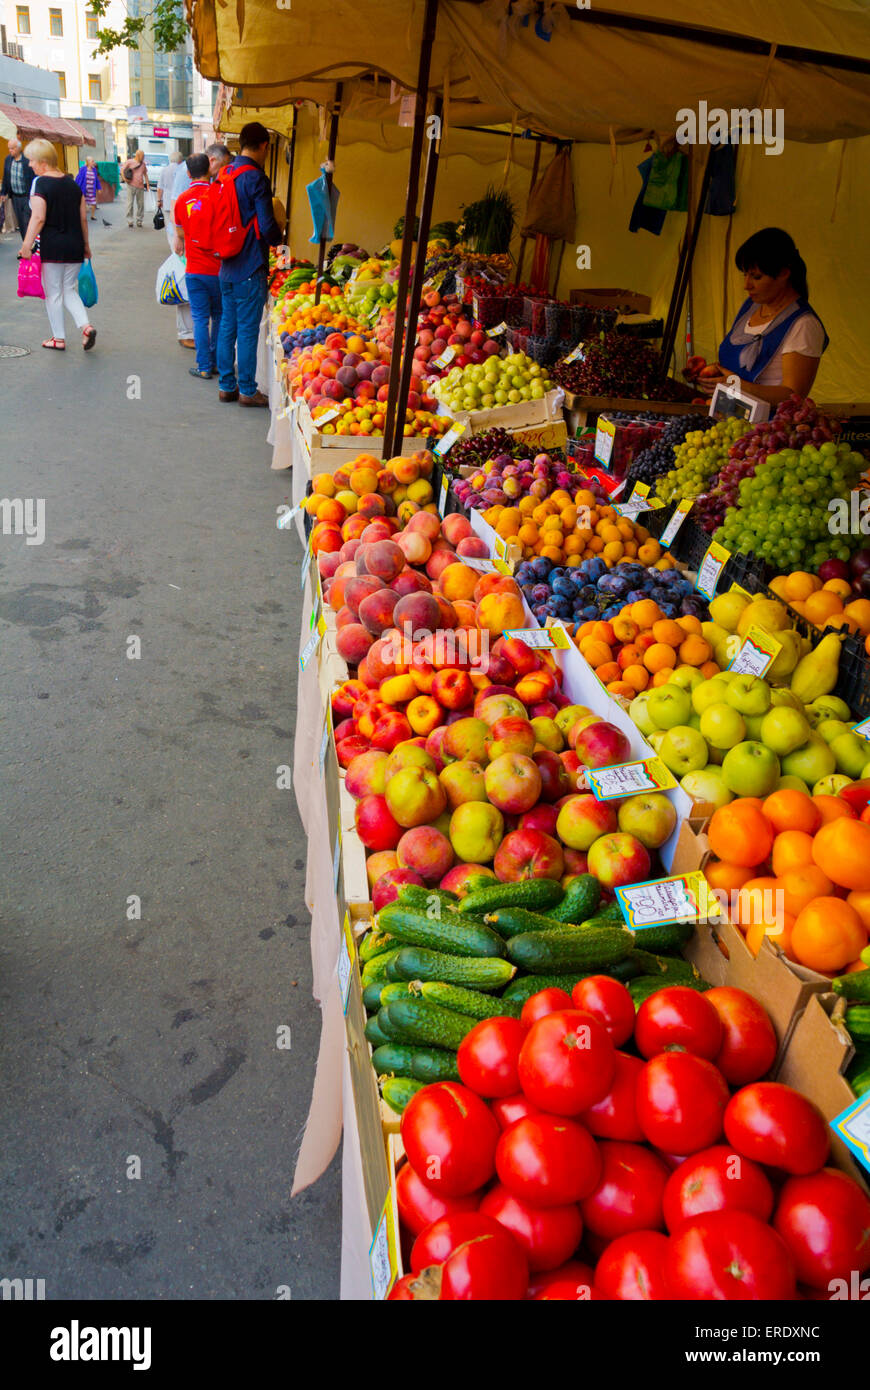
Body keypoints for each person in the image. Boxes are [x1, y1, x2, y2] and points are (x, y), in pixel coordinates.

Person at [698, 228, 827, 406]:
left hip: (766, 429)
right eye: (745, 275)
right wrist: (715, 372)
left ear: (783, 273)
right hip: (728, 420)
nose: (747, 285)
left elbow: (793, 396)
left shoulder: (803, 325)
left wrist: (735, 385)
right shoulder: (751, 307)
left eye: (756, 277)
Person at [216, 123, 281, 406]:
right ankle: (247, 390)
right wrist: (279, 237)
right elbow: (267, 225)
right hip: (250, 264)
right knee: (247, 330)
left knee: (227, 326)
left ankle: (226, 386)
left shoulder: (226, 173)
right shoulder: (256, 177)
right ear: (264, 146)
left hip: (226, 263)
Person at [18, 139, 95, 352]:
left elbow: (38, 217)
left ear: (43, 162)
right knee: (69, 289)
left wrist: (27, 244)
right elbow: (82, 219)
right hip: (75, 246)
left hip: (53, 246)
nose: (30, 165)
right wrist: (86, 246)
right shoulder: (72, 184)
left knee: (53, 293)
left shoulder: (40, 183)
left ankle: (58, 338)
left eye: (32, 160)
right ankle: (86, 327)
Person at [174, 153, 222, 379]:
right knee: (220, 317)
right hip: (220, 269)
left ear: (187, 173)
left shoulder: (182, 199)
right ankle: (218, 364)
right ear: (210, 169)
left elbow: (180, 233)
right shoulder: (219, 194)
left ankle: (203, 366)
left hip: (194, 270)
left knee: (200, 319)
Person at [157, 152, 194, 349]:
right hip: (183, 237)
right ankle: (185, 333)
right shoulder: (183, 176)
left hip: (186, 237)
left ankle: (190, 332)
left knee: (189, 284)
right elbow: (174, 205)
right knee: (184, 282)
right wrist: (179, 238)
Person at [1, 137, 36, 240]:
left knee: (27, 221)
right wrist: (3, 193)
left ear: (18, 148)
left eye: (12, 148)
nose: (10, 150)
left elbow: (33, 177)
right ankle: (25, 243)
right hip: (15, 197)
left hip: (26, 196)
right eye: (9, 148)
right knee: (21, 222)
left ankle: (31, 245)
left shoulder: (27, 160)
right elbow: (6, 177)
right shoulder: (8, 160)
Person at [120, 149, 149, 228]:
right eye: (142, 156)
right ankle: (130, 221)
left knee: (141, 204)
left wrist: (148, 185)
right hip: (131, 185)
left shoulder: (143, 164)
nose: (143, 158)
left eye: (143, 156)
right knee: (130, 203)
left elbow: (145, 174)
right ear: (137, 155)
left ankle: (139, 220)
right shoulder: (129, 162)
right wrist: (124, 179)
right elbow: (122, 170)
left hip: (140, 186)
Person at [74, 156, 102, 221]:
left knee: (93, 203)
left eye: (93, 161)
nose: (93, 162)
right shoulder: (83, 169)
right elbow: (79, 178)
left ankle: (92, 216)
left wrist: (99, 188)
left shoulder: (94, 169)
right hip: (84, 189)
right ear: (88, 162)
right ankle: (82, 216)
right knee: (83, 203)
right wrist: (76, 187)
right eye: (92, 161)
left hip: (91, 190)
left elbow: (96, 179)